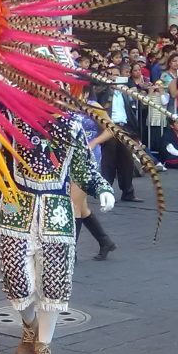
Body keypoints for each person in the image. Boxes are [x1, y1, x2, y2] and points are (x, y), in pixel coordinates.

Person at [0, 113, 114, 354]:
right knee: (16, 279)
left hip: (56, 213)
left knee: (53, 283)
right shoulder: (10, 115)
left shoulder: (72, 126)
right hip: (17, 209)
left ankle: (43, 349)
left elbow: (84, 170)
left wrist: (102, 188)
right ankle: (30, 327)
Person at [74, 102, 117, 260]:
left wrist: (95, 141)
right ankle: (105, 241)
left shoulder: (92, 105)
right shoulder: (63, 102)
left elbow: (111, 129)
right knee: (81, 206)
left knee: (74, 203)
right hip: (70, 158)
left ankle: (71, 250)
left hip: (88, 159)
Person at [96, 65, 143, 202]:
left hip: (124, 128)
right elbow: (99, 95)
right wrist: (109, 86)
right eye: (112, 74)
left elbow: (131, 112)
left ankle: (128, 192)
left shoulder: (124, 92)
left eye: (117, 75)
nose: (115, 77)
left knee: (127, 161)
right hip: (109, 128)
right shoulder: (103, 90)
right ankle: (106, 192)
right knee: (108, 162)